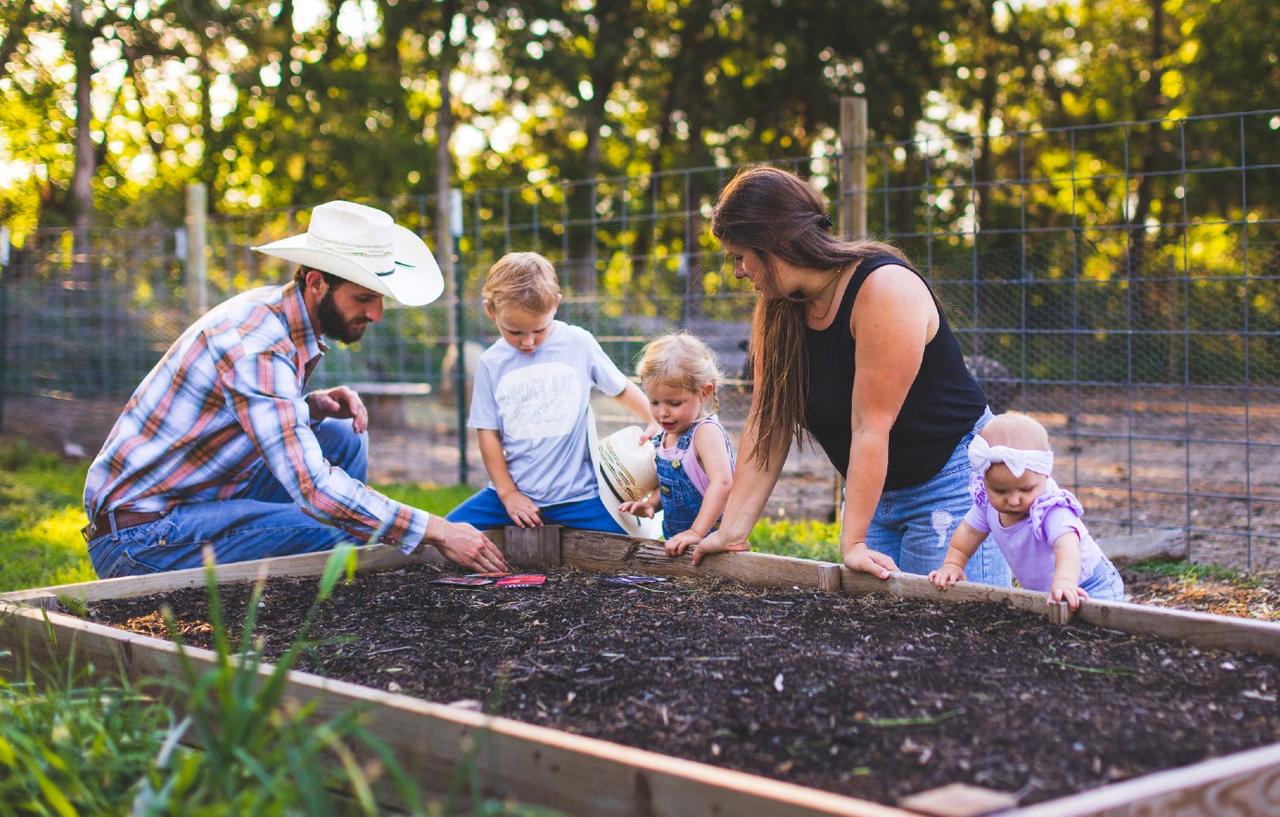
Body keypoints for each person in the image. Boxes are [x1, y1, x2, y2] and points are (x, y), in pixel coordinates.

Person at [82, 201, 509, 578]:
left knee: (342, 439)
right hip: (141, 539)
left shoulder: (278, 314)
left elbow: (249, 418)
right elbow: (315, 490)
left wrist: (309, 407)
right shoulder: (258, 346)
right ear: (317, 283)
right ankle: (336, 566)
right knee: (341, 529)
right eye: (363, 298)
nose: (377, 314)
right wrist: (438, 530)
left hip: (190, 502)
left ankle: (333, 564)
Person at [688, 165, 1011, 586]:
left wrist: (854, 541)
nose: (738, 272)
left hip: (948, 483)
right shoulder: (780, 306)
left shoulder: (883, 289)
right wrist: (730, 531)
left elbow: (871, 425)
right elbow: (769, 424)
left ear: (776, 242)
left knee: (958, 632)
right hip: (876, 491)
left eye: (740, 257)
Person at [446, 252, 657, 532]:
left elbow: (620, 389)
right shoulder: (491, 363)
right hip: (512, 498)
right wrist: (508, 495)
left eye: (539, 329)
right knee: (446, 534)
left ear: (555, 304)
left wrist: (653, 417)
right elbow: (487, 434)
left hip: (581, 497)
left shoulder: (578, 343)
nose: (529, 342)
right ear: (491, 311)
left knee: (633, 549)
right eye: (515, 332)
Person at [929, 413, 1124, 608]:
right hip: (1046, 591)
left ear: (1045, 475)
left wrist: (1065, 582)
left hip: (1089, 584)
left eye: (1026, 489)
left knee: (1094, 633)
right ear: (985, 482)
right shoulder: (986, 501)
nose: (1013, 500)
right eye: (1000, 491)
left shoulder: (1050, 508)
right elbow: (969, 532)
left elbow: (1067, 547)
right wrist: (953, 564)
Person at [616, 333, 736, 557]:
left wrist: (696, 532)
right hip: (679, 543)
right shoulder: (665, 434)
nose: (662, 413)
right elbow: (673, 484)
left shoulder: (705, 432)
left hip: (712, 546)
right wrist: (652, 503)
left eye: (674, 403)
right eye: (654, 402)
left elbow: (722, 482)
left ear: (704, 392)